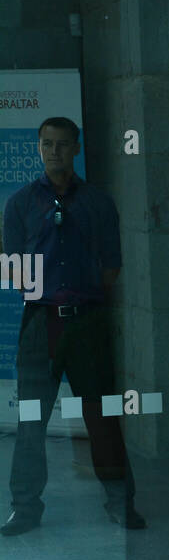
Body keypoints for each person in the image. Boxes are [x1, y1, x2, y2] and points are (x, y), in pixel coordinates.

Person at [1, 117, 145, 535]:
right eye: (47, 144)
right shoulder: (21, 204)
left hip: (86, 323)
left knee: (101, 416)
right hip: (39, 323)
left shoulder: (99, 203)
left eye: (62, 144)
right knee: (31, 421)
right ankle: (25, 508)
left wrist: (78, 296)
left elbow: (111, 269)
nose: (54, 151)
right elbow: (14, 270)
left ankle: (120, 502)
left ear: (76, 148)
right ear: (39, 148)